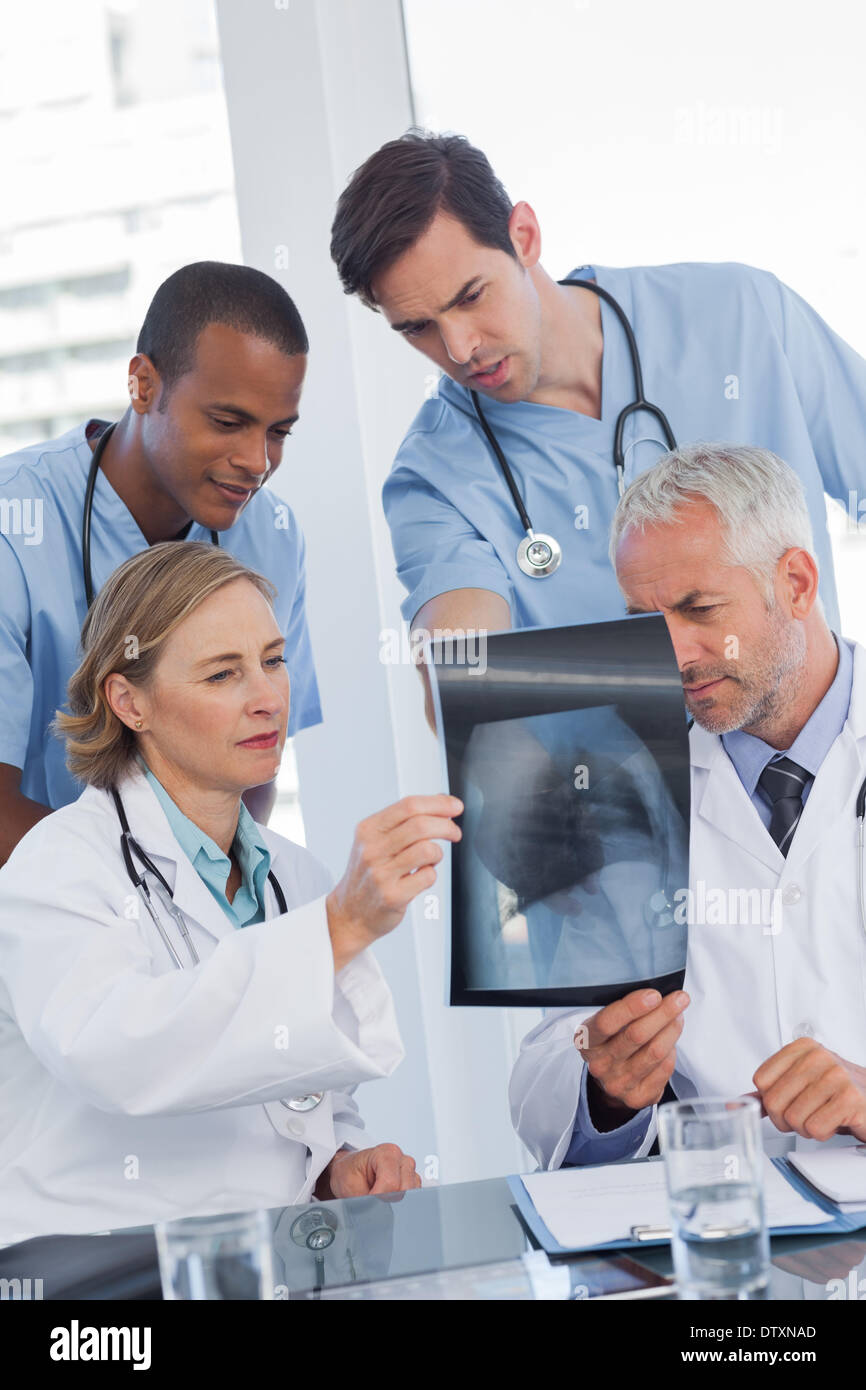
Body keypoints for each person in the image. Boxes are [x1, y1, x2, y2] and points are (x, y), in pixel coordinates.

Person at [0, 543, 462, 1238]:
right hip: (99, 1277)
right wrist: (337, 930)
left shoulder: (293, 873)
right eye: (222, 675)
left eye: (273, 661)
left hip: (262, 1260)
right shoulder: (59, 866)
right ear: (129, 701)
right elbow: (114, 1056)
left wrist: (334, 1167)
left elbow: (303, 1099)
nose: (267, 698)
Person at [330, 131, 866, 720]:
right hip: (637, 803)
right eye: (416, 327)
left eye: (471, 296)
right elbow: (468, 688)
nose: (459, 348)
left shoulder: (740, 313)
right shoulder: (435, 475)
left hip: (824, 769)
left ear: (524, 237)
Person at [509, 443, 866, 1169]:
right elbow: (551, 1058)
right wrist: (607, 1092)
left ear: (795, 582)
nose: (670, 653)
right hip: (716, 1232)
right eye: (644, 618)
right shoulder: (603, 787)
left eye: (700, 609)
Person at [0, 261, 322, 862]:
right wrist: (147, 896)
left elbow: (253, 768)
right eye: (228, 422)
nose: (257, 461)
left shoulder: (272, 537)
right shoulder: (13, 524)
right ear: (143, 385)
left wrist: (213, 899)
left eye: (279, 432)